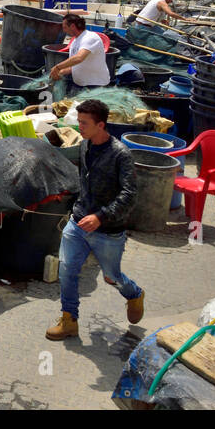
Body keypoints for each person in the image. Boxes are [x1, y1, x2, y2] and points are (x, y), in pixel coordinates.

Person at [46, 98, 144, 340]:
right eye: (79, 122)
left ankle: (134, 294)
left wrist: (101, 217)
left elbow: (130, 195)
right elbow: (84, 182)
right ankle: (69, 319)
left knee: (112, 277)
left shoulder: (120, 155)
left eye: (85, 123)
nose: (80, 128)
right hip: (78, 221)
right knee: (67, 269)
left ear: (101, 125)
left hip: (108, 230)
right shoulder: (84, 146)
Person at [48, 13, 110, 94]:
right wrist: (61, 72)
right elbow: (75, 66)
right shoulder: (74, 41)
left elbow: (79, 58)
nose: (64, 31)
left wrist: (57, 67)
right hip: (80, 86)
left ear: (73, 26)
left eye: (65, 28)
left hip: (95, 86)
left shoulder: (90, 37)